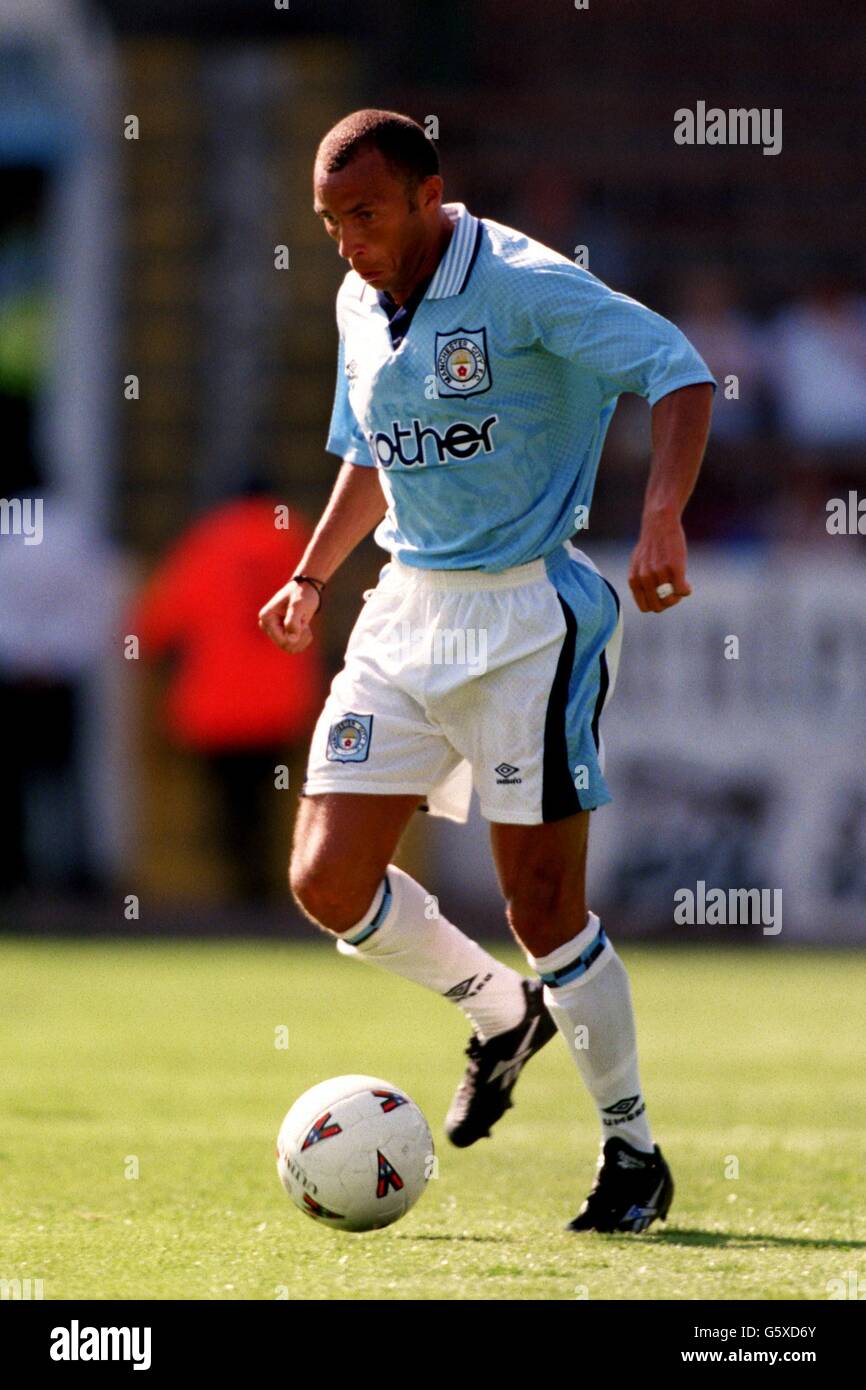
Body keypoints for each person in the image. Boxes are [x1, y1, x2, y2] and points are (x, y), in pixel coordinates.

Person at [258, 110, 715, 1233]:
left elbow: (679, 372)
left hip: (524, 615)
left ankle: (631, 1152)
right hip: (404, 610)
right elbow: (371, 450)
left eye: (363, 214)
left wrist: (660, 520)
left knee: (543, 904)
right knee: (324, 880)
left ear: (428, 194)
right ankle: (499, 1010)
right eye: (328, 223)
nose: (346, 241)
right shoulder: (356, 300)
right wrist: (313, 576)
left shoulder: (522, 282)